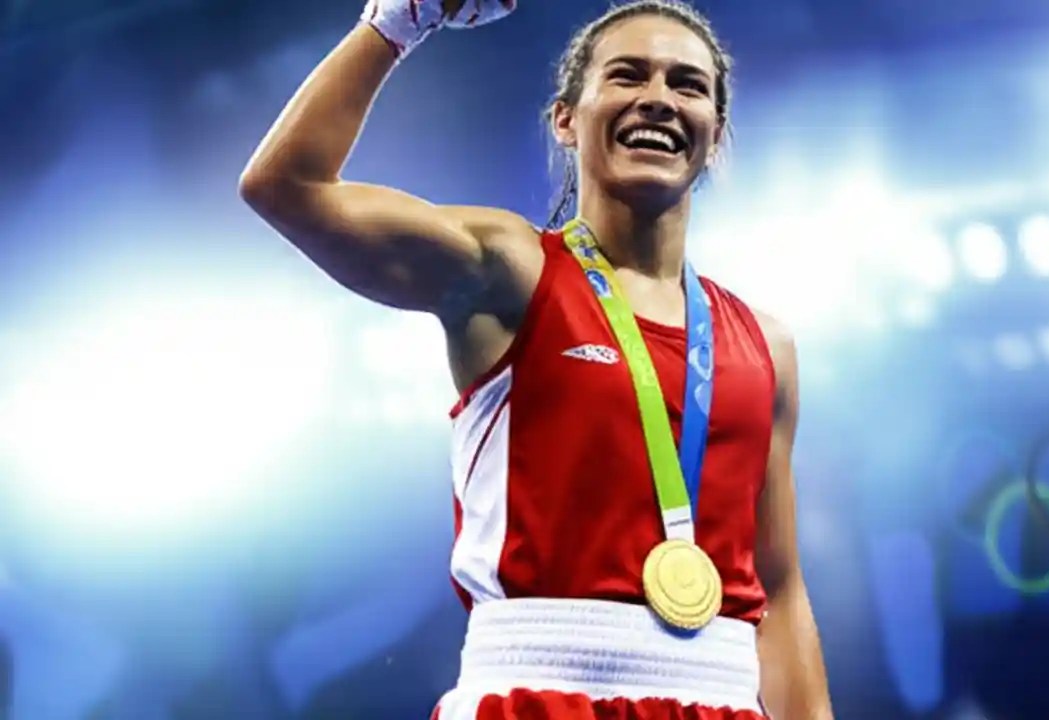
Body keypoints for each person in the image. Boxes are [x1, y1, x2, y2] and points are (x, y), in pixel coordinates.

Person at [238, 0, 834, 718]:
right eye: (627, 75)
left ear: (715, 134)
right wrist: (398, 23)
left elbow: (781, 586)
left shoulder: (764, 344)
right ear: (565, 120)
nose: (657, 98)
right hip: (537, 696)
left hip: (721, 702)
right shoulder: (509, 271)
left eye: (687, 84)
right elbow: (286, 187)